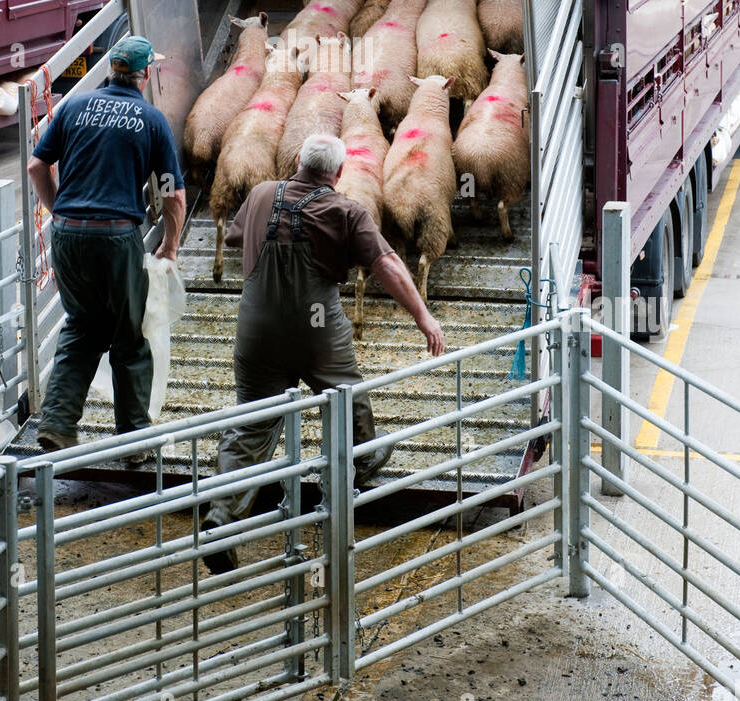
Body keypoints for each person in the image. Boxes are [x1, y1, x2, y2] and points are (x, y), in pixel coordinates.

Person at [201, 131, 445, 573]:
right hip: (315, 327)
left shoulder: (259, 194)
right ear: (339, 171)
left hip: (257, 328)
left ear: (297, 159)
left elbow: (237, 239)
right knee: (347, 397)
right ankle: (363, 459)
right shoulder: (346, 210)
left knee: (251, 426)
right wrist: (423, 317)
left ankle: (220, 520)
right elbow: (387, 264)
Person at [27, 34, 186, 452]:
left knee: (81, 326)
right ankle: (133, 437)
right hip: (115, 236)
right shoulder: (151, 120)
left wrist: (59, 207)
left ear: (111, 70)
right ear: (145, 73)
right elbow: (172, 193)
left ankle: (57, 425)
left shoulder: (74, 106)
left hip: (67, 235)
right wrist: (170, 246)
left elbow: (35, 165)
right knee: (129, 333)